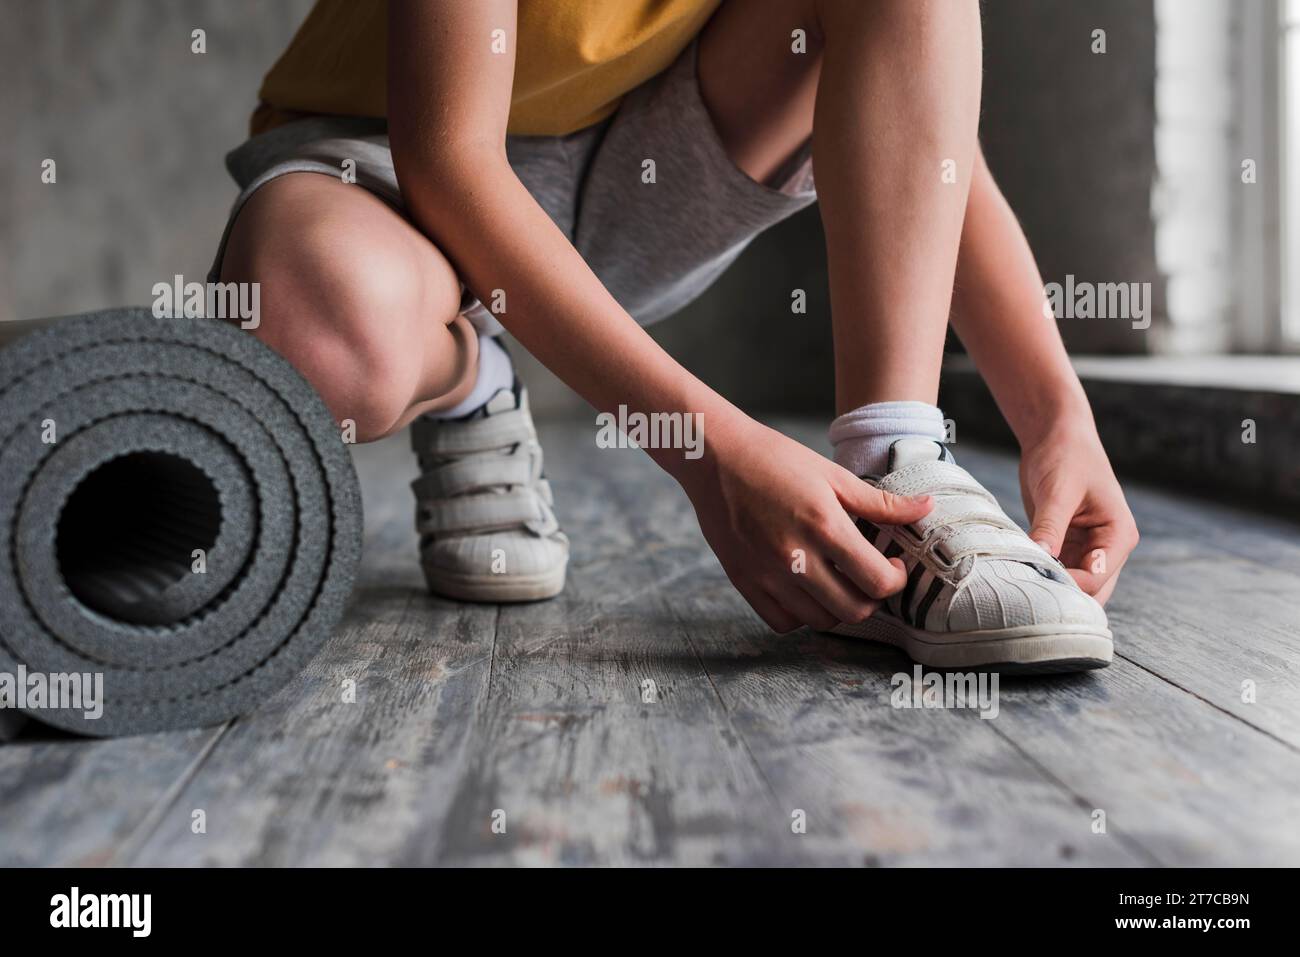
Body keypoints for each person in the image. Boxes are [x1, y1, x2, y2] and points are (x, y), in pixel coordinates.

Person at [210, 0, 1139, 671]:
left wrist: (1056, 413)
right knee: (311, 335)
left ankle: (896, 462)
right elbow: (449, 159)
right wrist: (709, 453)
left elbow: (919, 112)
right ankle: (467, 375)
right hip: (396, 168)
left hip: (644, 160)